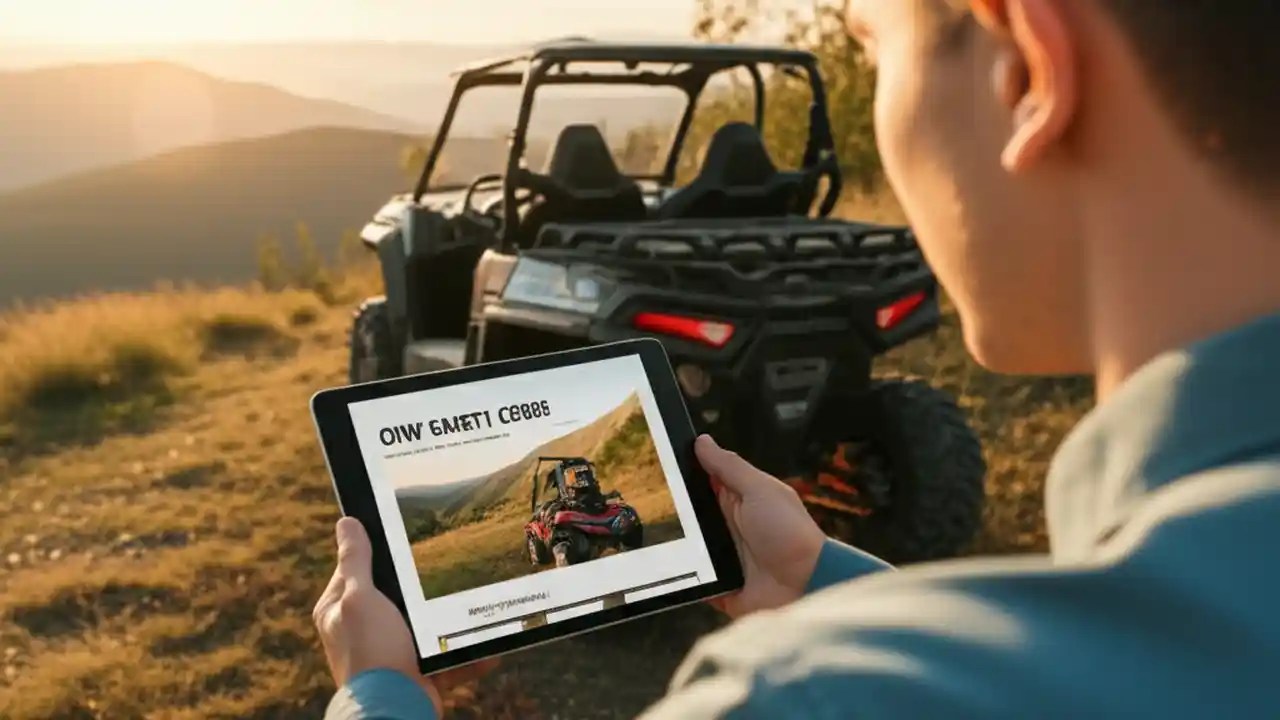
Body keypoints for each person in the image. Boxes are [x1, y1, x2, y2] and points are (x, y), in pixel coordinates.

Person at [314, 0, 1280, 716]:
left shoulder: (802, 697)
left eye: (875, 45)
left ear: (1029, 68)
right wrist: (825, 575)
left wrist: (380, 690)